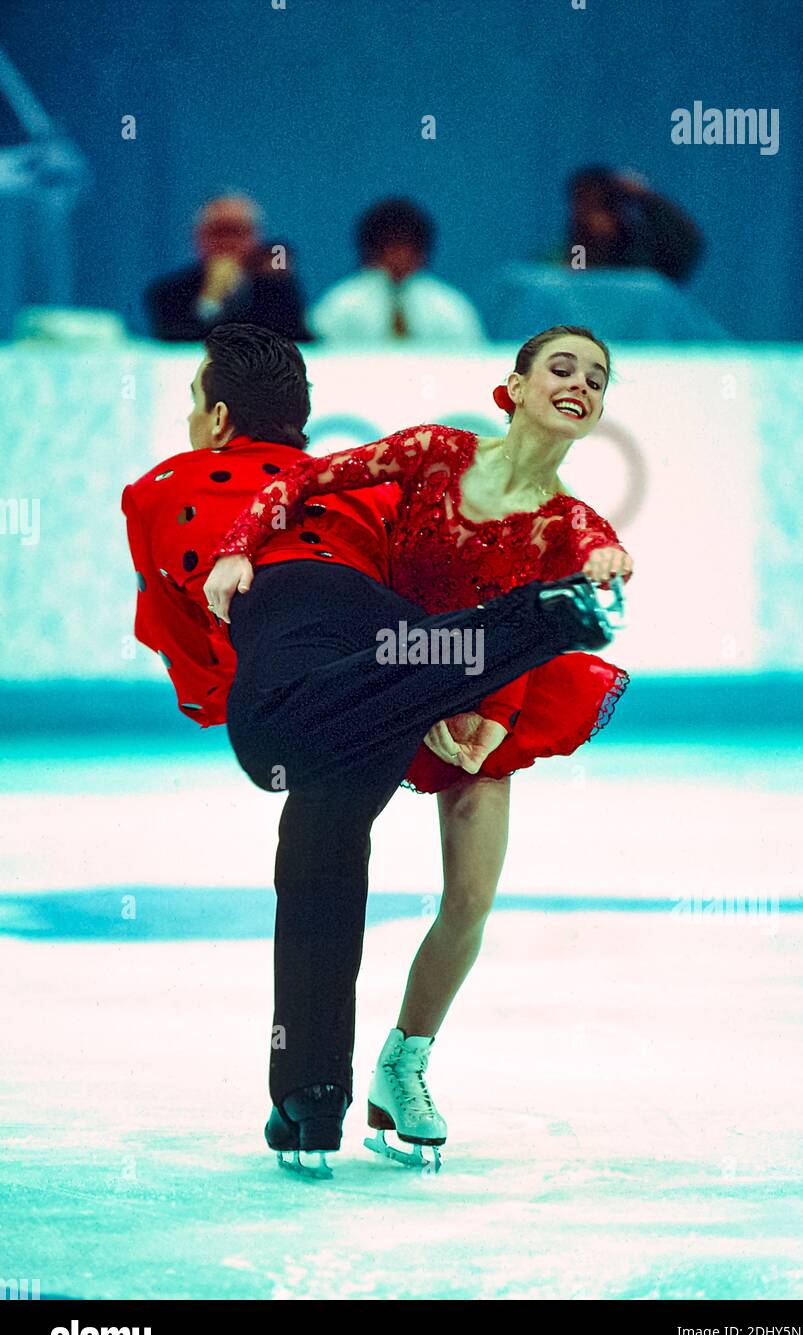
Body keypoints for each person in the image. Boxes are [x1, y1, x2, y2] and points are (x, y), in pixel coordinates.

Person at [203, 324, 633, 1173]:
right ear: (510, 387)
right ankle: (310, 1090)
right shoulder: (437, 453)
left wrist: (492, 717)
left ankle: (404, 1065)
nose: (581, 381)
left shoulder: (571, 522)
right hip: (378, 668)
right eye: (561, 366)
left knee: (470, 899)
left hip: (481, 696)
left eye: (599, 376)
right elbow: (308, 478)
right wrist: (233, 550)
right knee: (325, 841)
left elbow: (596, 553)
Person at [309, 197, 485, 344]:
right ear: (371, 249)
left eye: (406, 246)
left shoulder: (449, 308)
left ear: (421, 251)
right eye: (390, 246)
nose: (399, 256)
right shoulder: (341, 306)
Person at [144, 194, 311, 342]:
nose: (228, 243)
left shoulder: (278, 289)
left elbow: (291, 339)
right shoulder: (168, 292)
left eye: (238, 232)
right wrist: (210, 299)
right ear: (198, 237)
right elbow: (174, 345)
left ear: (256, 237)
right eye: (219, 232)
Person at [547, 166, 704, 284]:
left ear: (618, 212)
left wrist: (647, 197)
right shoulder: (564, 257)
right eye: (584, 206)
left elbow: (688, 243)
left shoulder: (641, 260)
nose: (593, 219)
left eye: (601, 206)